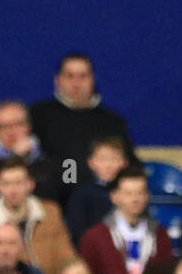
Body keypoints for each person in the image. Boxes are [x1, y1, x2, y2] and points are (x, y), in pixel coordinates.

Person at [29, 53, 134, 186]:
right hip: (51, 196)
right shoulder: (38, 115)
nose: (76, 83)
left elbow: (130, 165)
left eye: (83, 76)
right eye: (70, 76)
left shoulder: (112, 121)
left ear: (92, 79)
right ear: (57, 80)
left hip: (102, 196)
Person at [79, 164, 173, 274]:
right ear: (114, 196)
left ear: (147, 196)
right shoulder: (94, 236)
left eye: (140, 193)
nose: (135, 199)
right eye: (128, 193)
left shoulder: (160, 234)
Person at [0, 100, 64, 207]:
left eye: (17, 124)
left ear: (28, 126)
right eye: (3, 126)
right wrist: (15, 157)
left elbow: (55, 195)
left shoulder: (53, 163)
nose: (10, 131)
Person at [63, 136, 129, 246]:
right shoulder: (82, 193)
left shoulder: (133, 192)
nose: (109, 165)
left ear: (125, 162)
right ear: (91, 163)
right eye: (102, 159)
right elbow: (75, 231)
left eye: (114, 159)